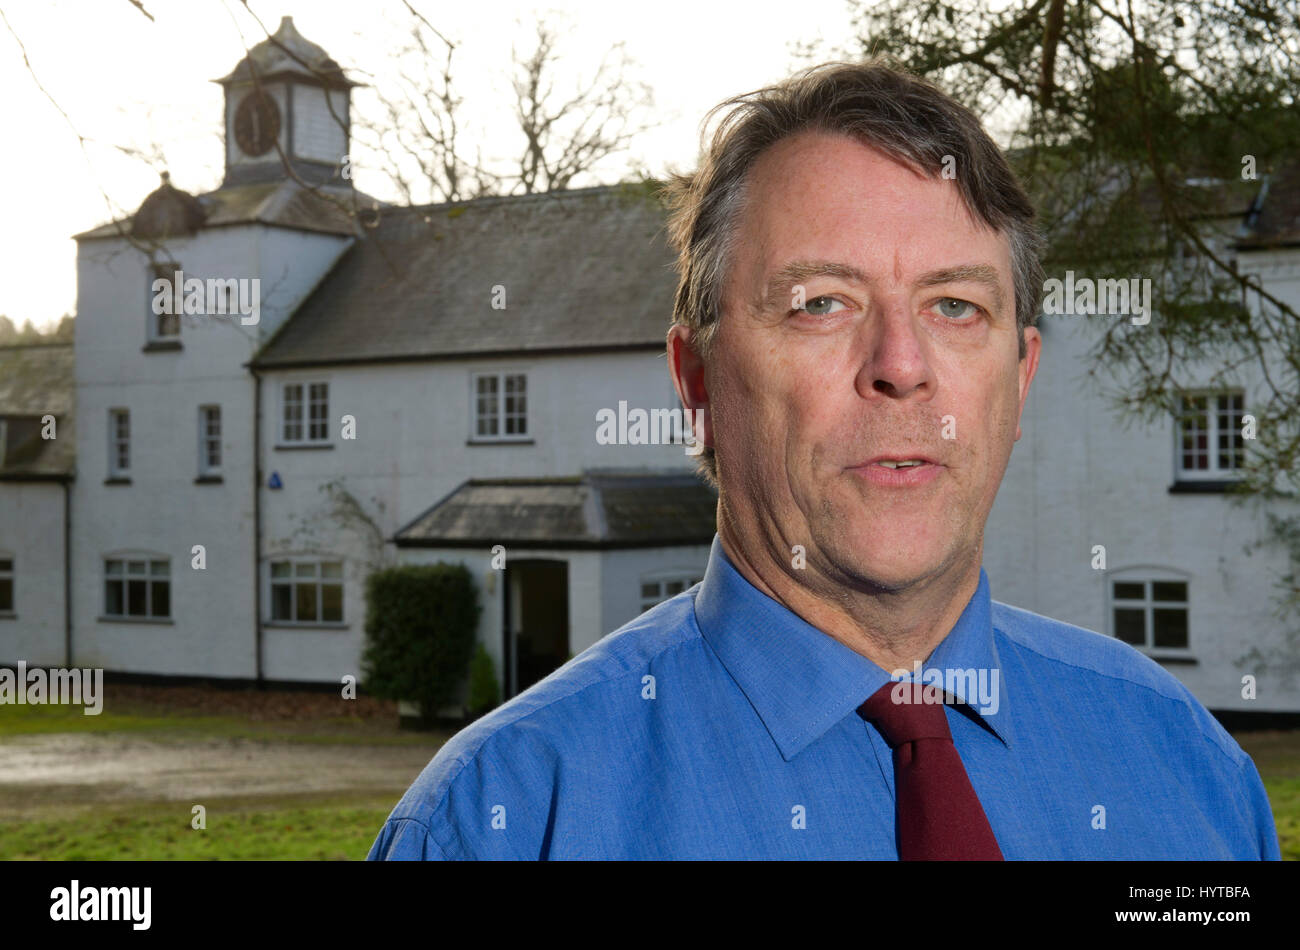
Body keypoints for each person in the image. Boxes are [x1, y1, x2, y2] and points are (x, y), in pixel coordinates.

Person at [367, 60, 1281, 860]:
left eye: (956, 307)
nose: (901, 368)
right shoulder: (505, 822)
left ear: (1021, 378)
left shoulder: (1190, 773)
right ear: (698, 383)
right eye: (820, 303)